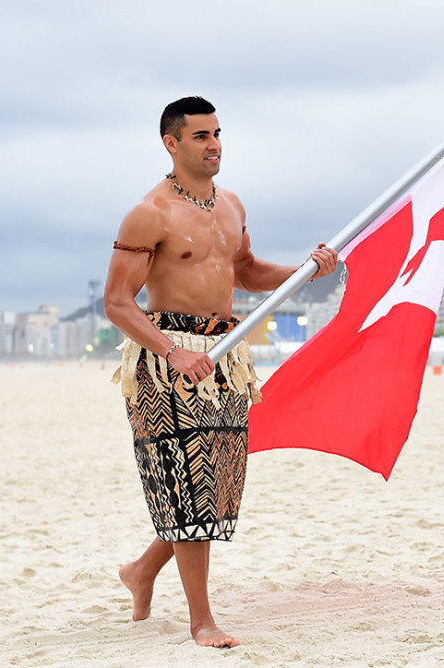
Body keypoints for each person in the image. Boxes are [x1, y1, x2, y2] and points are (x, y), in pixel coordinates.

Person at [103, 96, 337, 648]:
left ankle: (141, 571)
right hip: (166, 359)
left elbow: (248, 272)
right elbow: (117, 301)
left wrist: (308, 270)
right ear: (172, 143)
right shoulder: (150, 213)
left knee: (213, 489)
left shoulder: (231, 205)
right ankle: (201, 621)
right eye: (201, 136)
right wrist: (172, 352)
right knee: (187, 483)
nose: (214, 145)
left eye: (217, 134)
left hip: (225, 353)